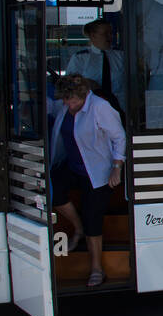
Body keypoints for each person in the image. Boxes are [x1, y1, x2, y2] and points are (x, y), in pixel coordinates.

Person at [49, 75, 126, 287]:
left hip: (98, 172)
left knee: (94, 219)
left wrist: (116, 168)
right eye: (64, 99)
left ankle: (96, 269)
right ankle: (78, 228)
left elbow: (119, 137)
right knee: (53, 190)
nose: (65, 103)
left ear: (82, 96)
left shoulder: (100, 107)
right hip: (73, 166)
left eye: (70, 99)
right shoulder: (66, 106)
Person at [65, 18, 127, 117]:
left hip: (120, 109)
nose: (110, 37)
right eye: (105, 34)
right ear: (93, 36)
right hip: (91, 110)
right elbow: (69, 85)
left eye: (111, 33)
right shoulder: (80, 58)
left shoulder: (121, 56)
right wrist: (85, 82)